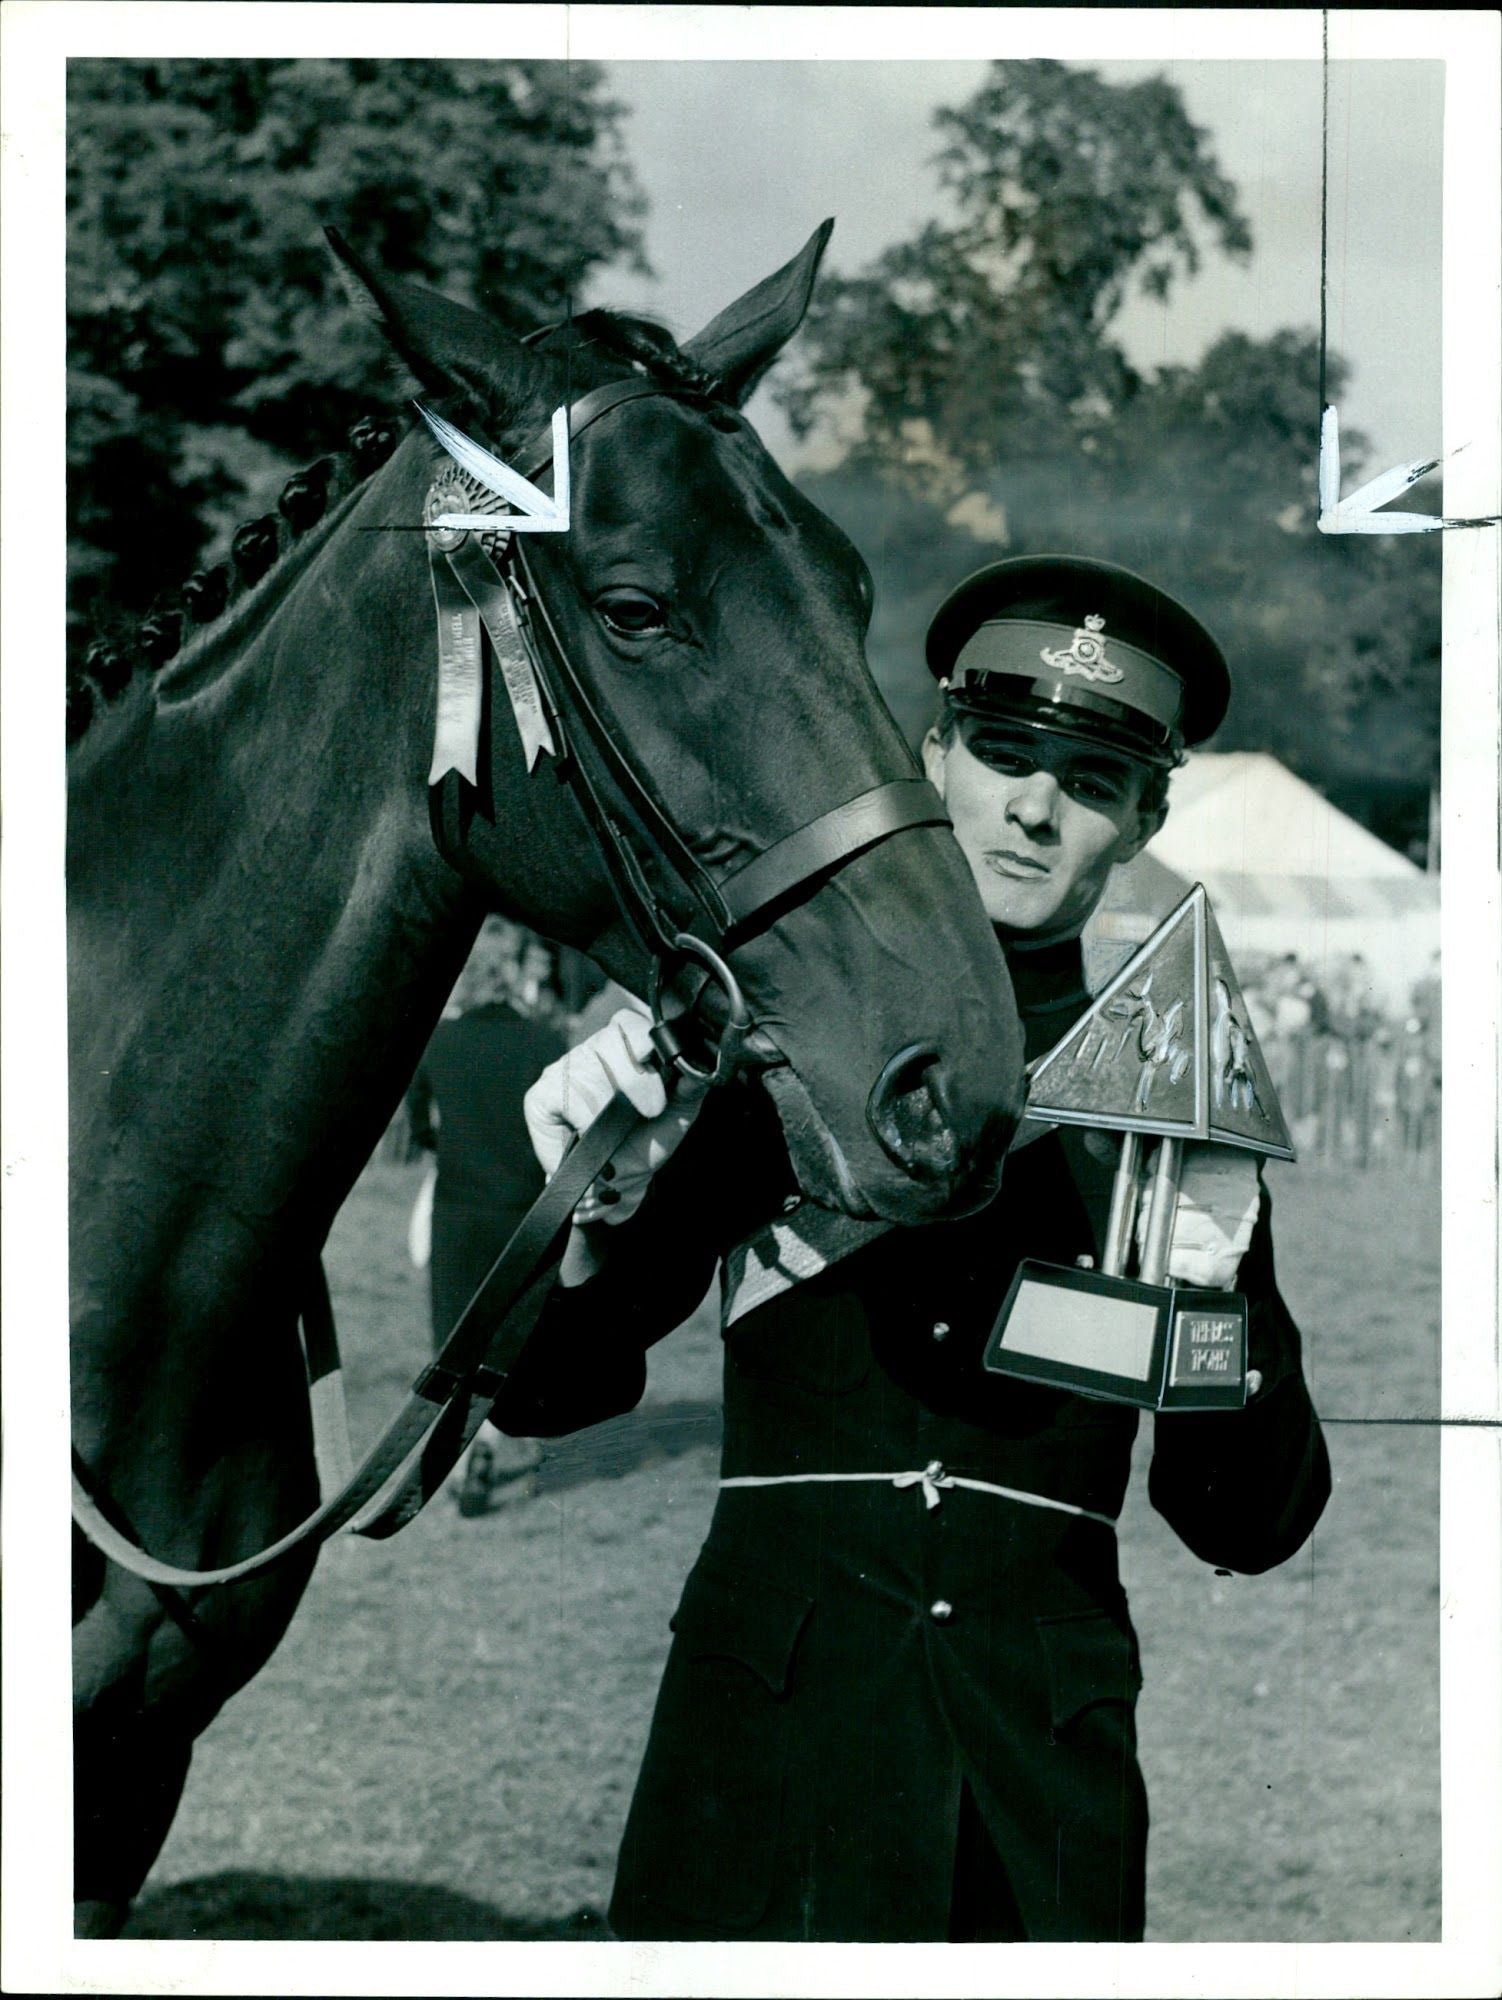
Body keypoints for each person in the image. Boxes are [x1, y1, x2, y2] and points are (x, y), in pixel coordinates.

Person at [495, 556, 1331, 1942]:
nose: (1031, 805)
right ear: (930, 752)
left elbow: (1247, 1521)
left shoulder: (1168, 1109)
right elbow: (543, 1392)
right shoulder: (765, 1044)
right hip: (760, 1762)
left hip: (1032, 1793)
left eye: (1088, 780)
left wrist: (1216, 1297)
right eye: (1001, 753)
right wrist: (592, 1205)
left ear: (1140, 821)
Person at [406, 917, 568, 1511]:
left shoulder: (439, 1042)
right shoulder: (545, 1043)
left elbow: (418, 1122)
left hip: (457, 1208)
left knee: (453, 1338)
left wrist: (445, 1149)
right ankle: (493, 1446)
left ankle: (458, 1454)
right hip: (521, 1215)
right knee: (507, 1343)